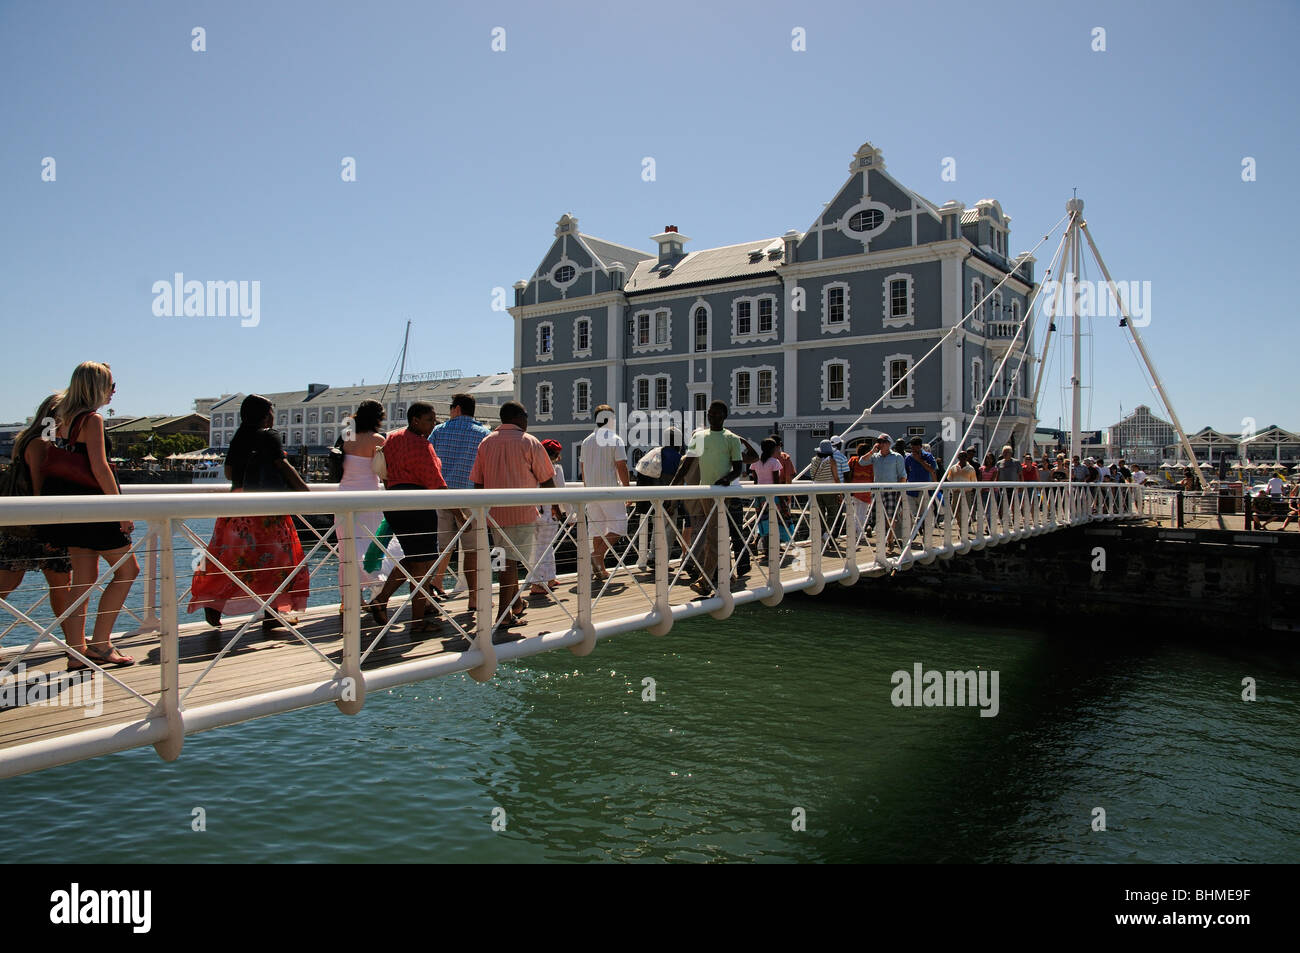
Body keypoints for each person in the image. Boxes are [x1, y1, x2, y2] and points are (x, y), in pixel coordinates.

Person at [38, 362, 140, 668]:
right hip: (96, 510)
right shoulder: (92, 420)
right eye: (110, 384)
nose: (114, 390)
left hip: (70, 510)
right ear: (96, 387)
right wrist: (121, 509)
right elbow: (100, 467)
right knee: (128, 571)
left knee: (83, 580)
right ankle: (100, 644)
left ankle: (75, 652)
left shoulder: (57, 418)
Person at [189, 394, 311, 635]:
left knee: (230, 559)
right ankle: (273, 614)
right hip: (267, 508)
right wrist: (306, 493)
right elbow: (283, 466)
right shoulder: (270, 436)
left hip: (237, 508)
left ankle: (213, 602)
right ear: (266, 415)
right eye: (272, 412)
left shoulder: (239, 437)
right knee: (277, 560)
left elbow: (228, 472)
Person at [0, 394, 79, 659]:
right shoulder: (42, 444)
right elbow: (39, 489)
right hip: (37, 526)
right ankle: (75, 645)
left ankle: (74, 643)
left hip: (22, 525)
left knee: (14, 582)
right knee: (59, 585)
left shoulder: (27, 439)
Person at [470, 401, 556, 626]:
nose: (528, 420)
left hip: (494, 516)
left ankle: (515, 603)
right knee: (510, 564)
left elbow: (477, 483)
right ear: (518, 417)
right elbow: (547, 479)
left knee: (503, 563)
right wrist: (556, 506)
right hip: (521, 514)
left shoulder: (486, 442)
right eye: (526, 415)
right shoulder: (529, 442)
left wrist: (480, 512)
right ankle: (503, 615)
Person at [368, 402, 446, 632]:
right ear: (415, 420)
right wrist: (460, 513)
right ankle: (417, 622)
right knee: (421, 563)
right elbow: (435, 481)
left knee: (414, 559)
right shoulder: (422, 445)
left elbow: (385, 470)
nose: (434, 424)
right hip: (418, 506)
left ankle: (382, 600)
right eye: (430, 419)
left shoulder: (391, 438)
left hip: (394, 503)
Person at [668, 401, 742, 597]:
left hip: (720, 494)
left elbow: (738, 469)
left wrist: (726, 479)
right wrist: (671, 490)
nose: (712, 417)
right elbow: (686, 465)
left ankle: (705, 581)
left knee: (713, 535)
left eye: (717, 414)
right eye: (710, 414)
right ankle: (727, 575)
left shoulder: (731, 439)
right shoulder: (699, 437)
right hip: (704, 493)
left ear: (724, 416)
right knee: (716, 534)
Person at [429, 393, 491, 600]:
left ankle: (436, 581)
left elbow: (428, 461)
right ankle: (474, 596)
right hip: (470, 498)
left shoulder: (439, 431)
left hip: (442, 496)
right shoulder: (483, 433)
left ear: (456, 409)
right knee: (472, 549)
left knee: (443, 545)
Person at [334, 399, 387, 596]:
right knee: (372, 547)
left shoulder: (346, 436)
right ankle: (376, 588)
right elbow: (384, 472)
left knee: (346, 549)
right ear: (378, 418)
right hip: (368, 500)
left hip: (343, 498)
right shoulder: (378, 440)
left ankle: (347, 600)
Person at [579, 405, 630, 580]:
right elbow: (621, 466)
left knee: (597, 529)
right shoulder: (615, 439)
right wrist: (627, 490)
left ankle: (599, 568)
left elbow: (583, 467)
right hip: (610, 491)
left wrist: (586, 488)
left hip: (591, 492)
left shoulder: (586, 441)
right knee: (619, 526)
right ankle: (597, 556)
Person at [527, 438, 566, 595]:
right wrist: (568, 515)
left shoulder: (531, 467)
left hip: (533, 511)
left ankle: (549, 577)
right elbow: (561, 492)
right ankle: (537, 583)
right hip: (550, 513)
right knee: (544, 547)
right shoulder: (556, 468)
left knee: (541, 547)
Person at [866, 434, 907, 554]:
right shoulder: (875, 457)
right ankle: (883, 541)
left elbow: (903, 476)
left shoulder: (897, 457)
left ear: (889, 443)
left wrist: (900, 492)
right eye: (879, 442)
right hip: (877, 490)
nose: (881, 444)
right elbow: (861, 461)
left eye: (884, 442)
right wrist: (872, 451)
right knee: (878, 517)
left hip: (891, 490)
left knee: (890, 517)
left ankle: (890, 539)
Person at [749, 437, 784, 562]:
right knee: (773, 522)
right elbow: (776, 481)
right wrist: (781, 497)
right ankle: (771, 551)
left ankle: (765, 548)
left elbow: (755, 480)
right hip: (771, 495)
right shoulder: (774, 462)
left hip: (759, 494)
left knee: (762, 521)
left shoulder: (756, 462)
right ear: (773, 449)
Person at [846, 441, 876, 542]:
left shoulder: (853, 459)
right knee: (862, 514)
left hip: (854, 489)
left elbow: (847, 471)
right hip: (865, 490)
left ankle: (853, 532)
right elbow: (872, 476)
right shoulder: (870, 463)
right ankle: (860, 534)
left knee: (856, 513)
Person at [946, 449, 977, 535]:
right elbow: (949, 479)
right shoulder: (953, 468)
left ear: (966, 458)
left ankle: (964, 529)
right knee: (955, 510)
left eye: (964, 456)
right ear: (958, 457)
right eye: (961, 456)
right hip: (956, 492)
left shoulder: (971, 469)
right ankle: (961, 526)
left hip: (966, 492)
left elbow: (974, 482)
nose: (962, 458)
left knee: (966, 511)